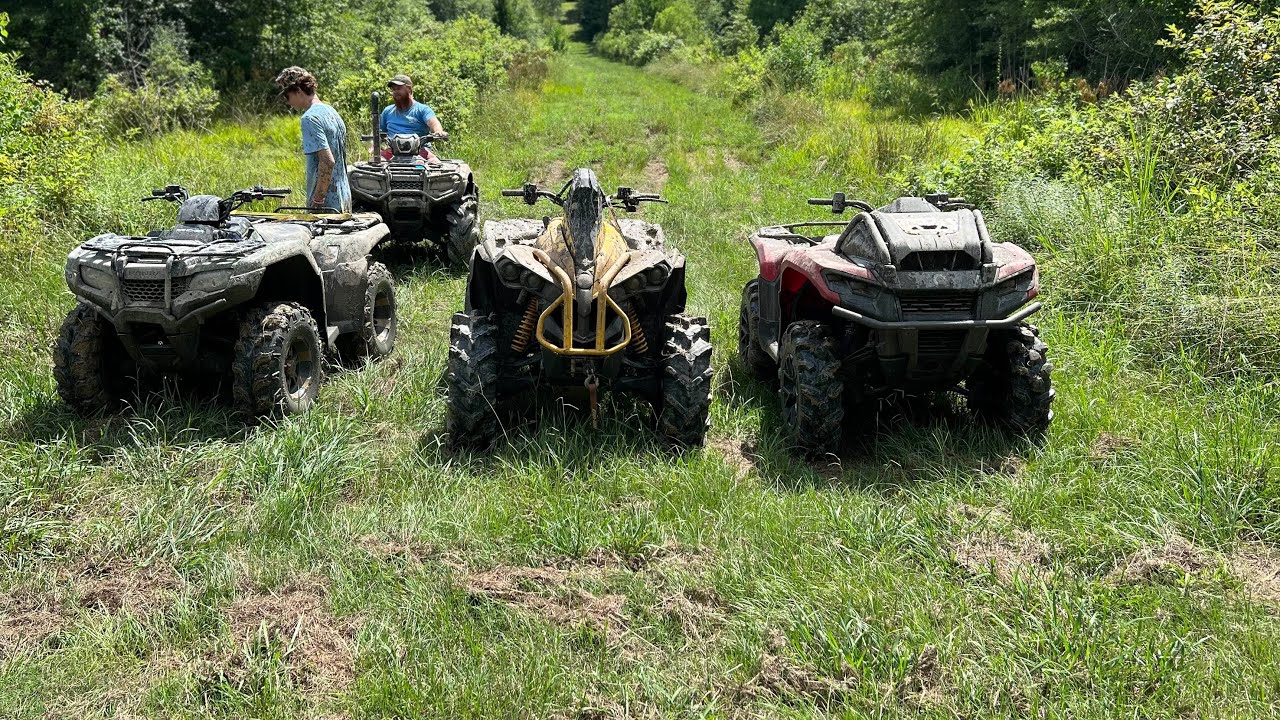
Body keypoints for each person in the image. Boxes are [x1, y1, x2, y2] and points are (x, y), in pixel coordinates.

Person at [274, 66, 351, 212]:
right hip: (344, 198)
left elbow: (328, 161)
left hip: (327, 205)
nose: (287, 102)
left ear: (298, 91)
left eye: (286, 96)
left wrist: (318, 200)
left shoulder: (310, 118)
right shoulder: (332, 112)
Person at [380, 74, 447, 161]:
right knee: (376, 163)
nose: (396, 91)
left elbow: (433, 122)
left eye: (399, 88)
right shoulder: (387, 111)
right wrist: (373, 145)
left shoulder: (422, 109)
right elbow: (379, 132)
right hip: (393, 151)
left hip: (420, 150)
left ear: (409, 88)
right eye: (393, 89)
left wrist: (438, 131)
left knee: (434, 164)